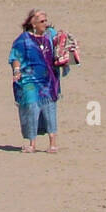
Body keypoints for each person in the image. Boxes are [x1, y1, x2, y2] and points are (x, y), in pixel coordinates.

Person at [9, 9, 65, 154]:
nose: (45, 24)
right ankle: (32, 143)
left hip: (48, 80)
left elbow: (62, 46)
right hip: (30, 81)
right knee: (31, 109)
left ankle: (53, 143)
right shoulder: (23, 39)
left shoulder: (50, 35)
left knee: (50, 109)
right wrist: (16, 71)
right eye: (42, 21)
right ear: (33, 23)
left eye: (46, 21)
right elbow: (16, 56)